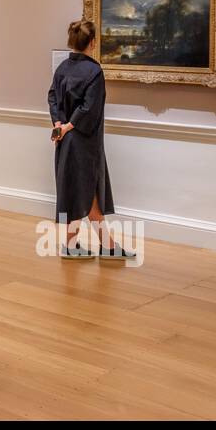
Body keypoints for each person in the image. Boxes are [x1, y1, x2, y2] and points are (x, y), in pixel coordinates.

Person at [47, 19, 134, 259]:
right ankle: (94, 246)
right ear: (93, 43)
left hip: (65, 140)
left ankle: (93, 245)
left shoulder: (62, 68)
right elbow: (89, 107)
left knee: (78, 191)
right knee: (87, 190)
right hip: (84, 141)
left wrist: (59, 124)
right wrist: (69, 126)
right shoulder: (94, 71)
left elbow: (52, 98)